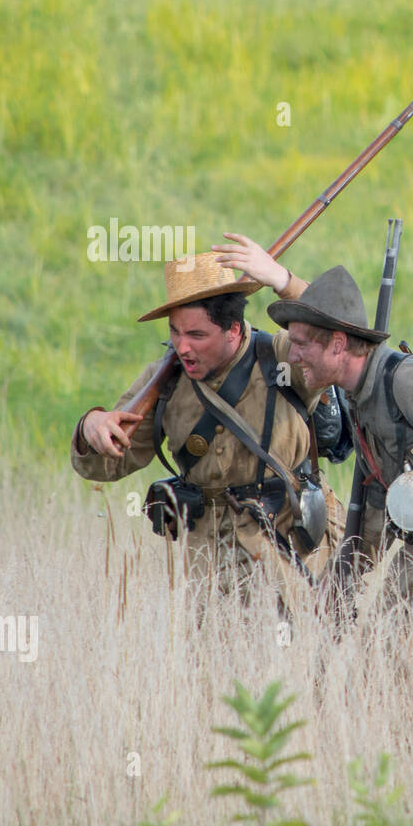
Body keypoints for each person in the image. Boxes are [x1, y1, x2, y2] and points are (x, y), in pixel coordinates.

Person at [216, 236, 413, 656]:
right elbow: (376, 502)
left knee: (403, 681)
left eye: (304, 343)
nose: (296, 355)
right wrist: (342, 577)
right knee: (376, 678)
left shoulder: (409, 383)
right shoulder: (360, 396)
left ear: (339, 344)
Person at [70, 243, 343, 610]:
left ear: (233, 330)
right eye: (175, 332)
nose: (181, 347)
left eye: (196, 335)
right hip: (211, 566)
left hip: (295, 550)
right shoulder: (163, 381)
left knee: (303, 659)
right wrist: (92, 426)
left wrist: (282, 280)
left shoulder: (282, 357)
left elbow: (338, 337)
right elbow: (108, 464)